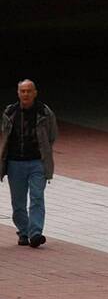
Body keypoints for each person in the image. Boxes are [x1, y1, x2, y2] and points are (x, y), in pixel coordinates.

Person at [1, 79, 58, 247]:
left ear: (35, 93)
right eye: (22, 91)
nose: (25, 94)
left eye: (28, 91)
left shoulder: (44, 113)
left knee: (37, 197)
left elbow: (52, 135)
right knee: (18, 203)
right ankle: (23, 231)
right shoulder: (10, 112)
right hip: (15, 163)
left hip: (37, 163)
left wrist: (44, 151)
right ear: (18, 93)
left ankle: (35, 233)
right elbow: (5, 136)